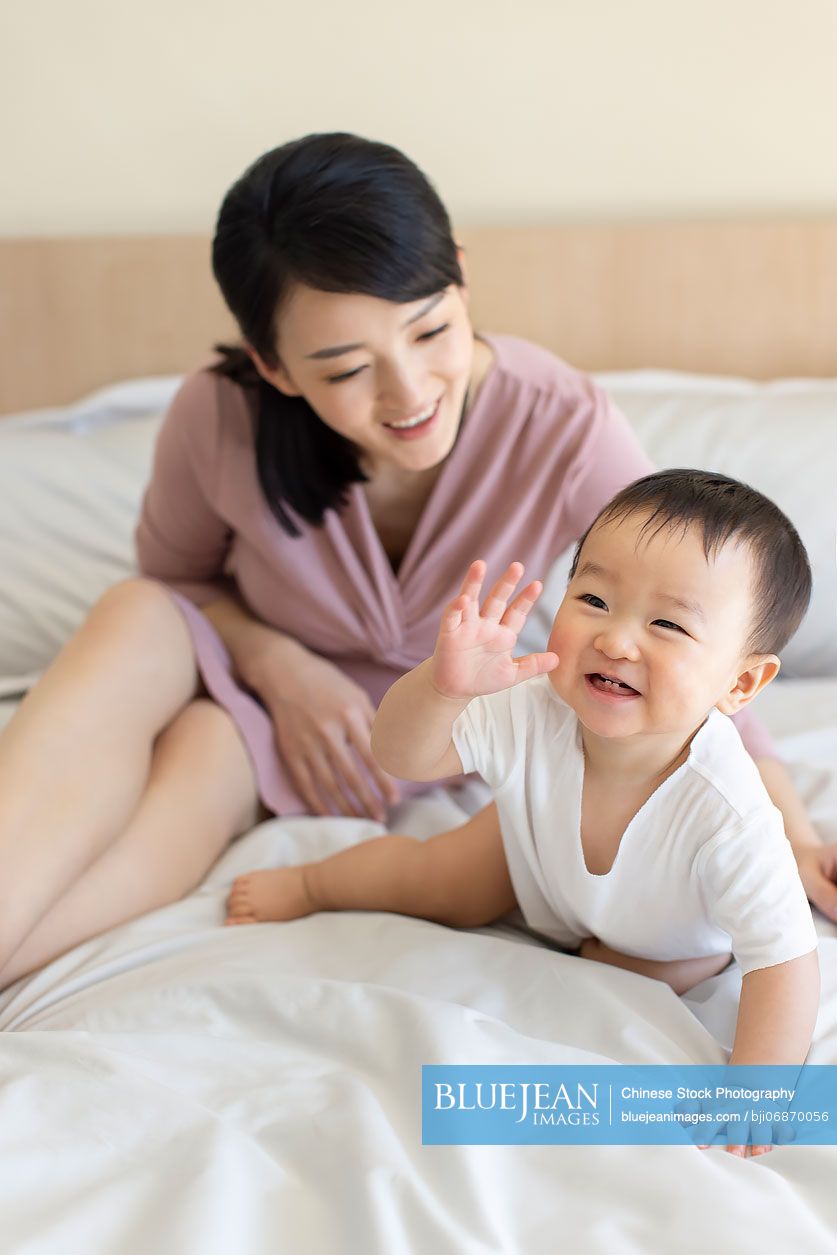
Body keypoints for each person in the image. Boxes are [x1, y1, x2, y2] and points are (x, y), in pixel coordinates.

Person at [0, 134, 830, 992]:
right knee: (134, 608)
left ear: (460, 277)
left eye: (430, 329)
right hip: (241, 675)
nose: (408, 393)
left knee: (200, 752)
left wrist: (790, 836)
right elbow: (177, 581)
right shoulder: (216, 416)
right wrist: (279, 667)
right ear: (272, 364)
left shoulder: (560, 425)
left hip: (346, 737)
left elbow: (698, 637)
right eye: (347, 368)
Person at [225, 469, 820, 1154]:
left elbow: (784, 963)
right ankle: (314, 883)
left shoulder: (729, 812)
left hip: (663, 933)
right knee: (427, 874)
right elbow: (401, 755)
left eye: (665, 623)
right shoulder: (536, 704)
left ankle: (615, 951)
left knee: (634, 971)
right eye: (593, 598)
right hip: (532, 858)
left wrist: (757, 1091)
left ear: (741, 682)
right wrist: (442, 689)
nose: (617, 640)